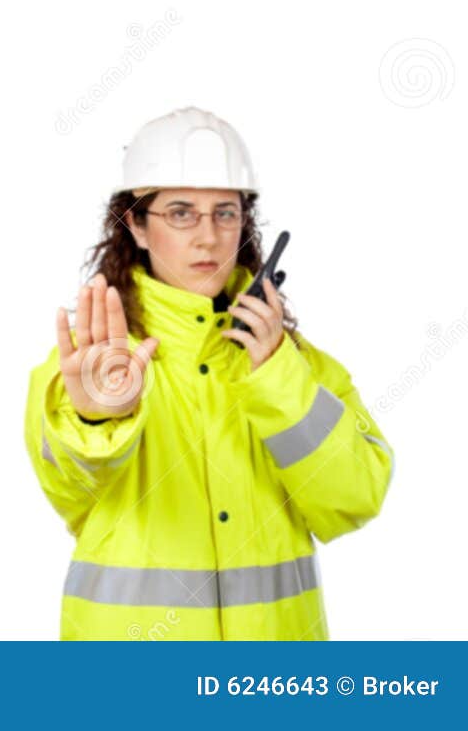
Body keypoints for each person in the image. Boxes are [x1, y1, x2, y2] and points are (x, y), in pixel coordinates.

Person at [25, 107, 393, 640]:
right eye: (180, 212)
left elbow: (356, 498)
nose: (208, 237)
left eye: (225, 212)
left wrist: (275, 376)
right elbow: (69, 490)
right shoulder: (96, 362)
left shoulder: (294, 362)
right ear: (137, 224)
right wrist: (98, 418)